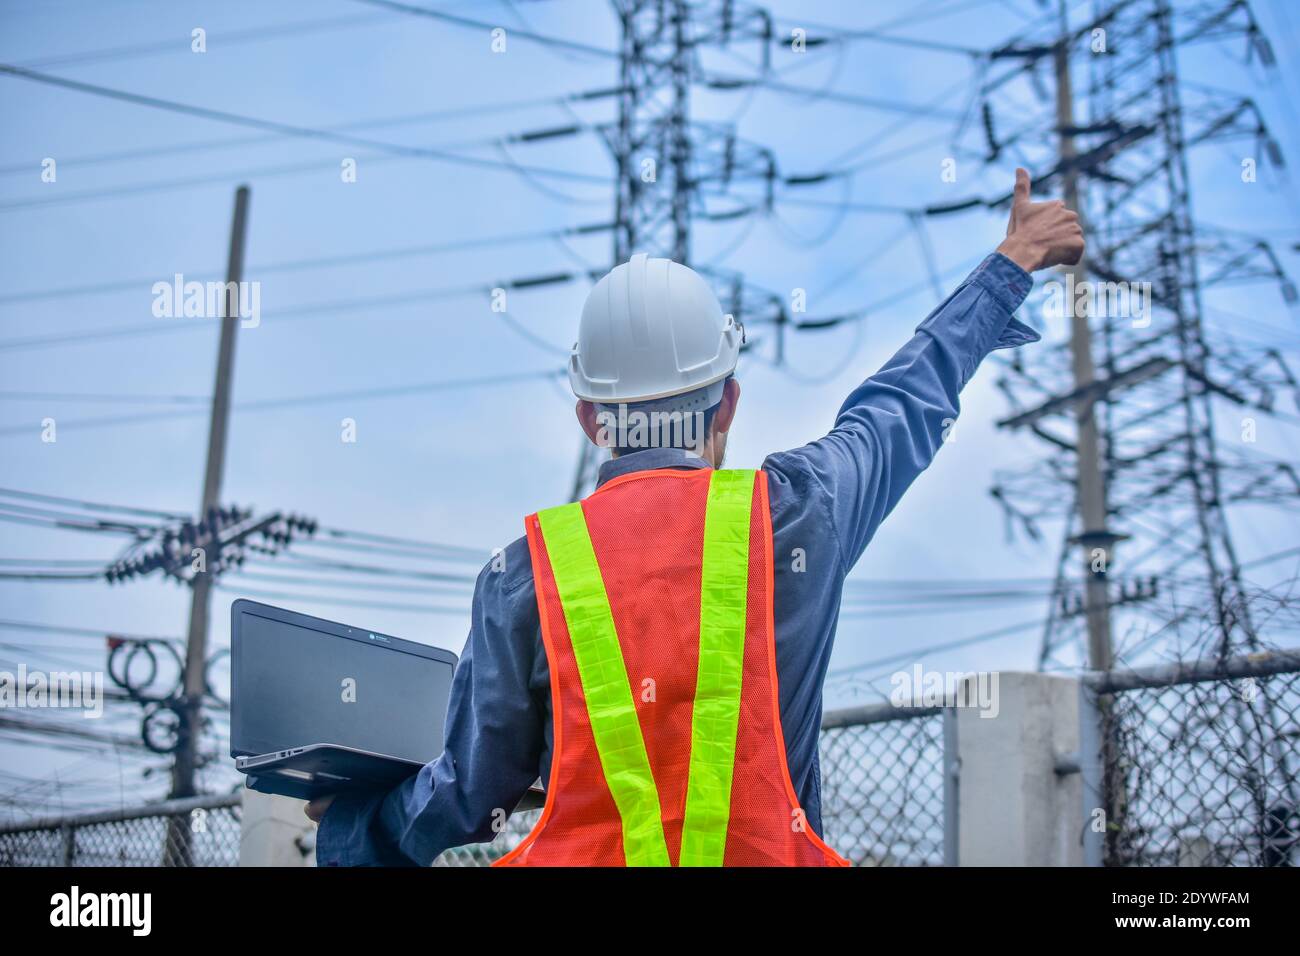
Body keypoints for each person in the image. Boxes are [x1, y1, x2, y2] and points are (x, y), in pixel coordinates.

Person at [308, 168, 1083, 866]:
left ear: (589, 418)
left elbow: (467, 794)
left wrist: (351, 829)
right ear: (730, 402)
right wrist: (1008, 266)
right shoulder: (797, 514)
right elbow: (903, 403)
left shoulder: (523, 577)